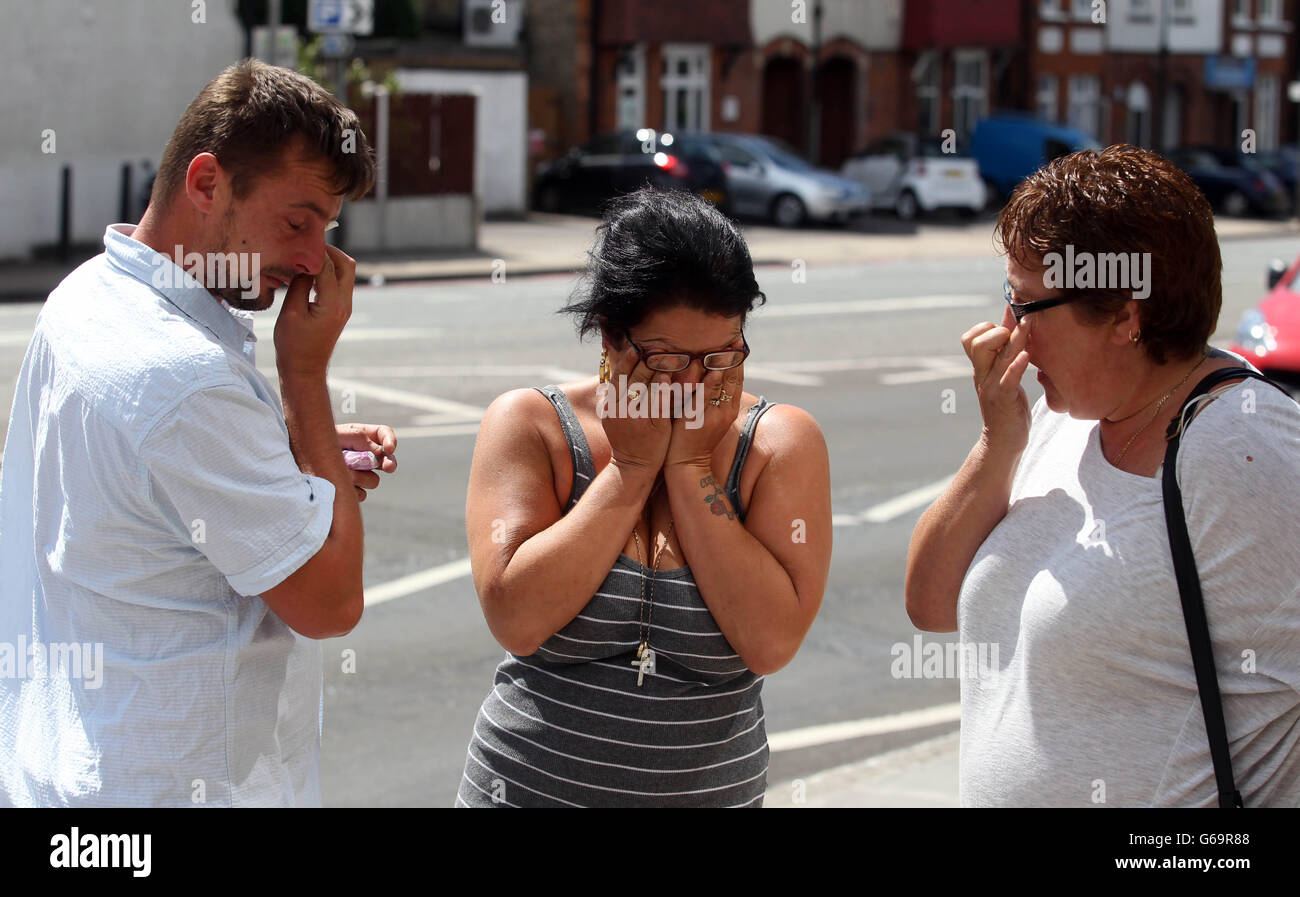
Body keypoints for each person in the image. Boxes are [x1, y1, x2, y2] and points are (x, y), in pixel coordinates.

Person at [0, 59, 397, 807]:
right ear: (207, 182)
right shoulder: (191, 381)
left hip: (71, 783)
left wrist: (284, 449)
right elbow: (328, 601)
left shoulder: (83, 296)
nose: (316, 259)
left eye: (327, 228)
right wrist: (305, 379)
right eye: (297, 221)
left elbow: (143, 480)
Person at [906, 144, 1300, 807]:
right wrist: (997, 441)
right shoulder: (1069, 416)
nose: (1009, 333)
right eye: (1009, 296)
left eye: (1029, 305)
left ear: (1126, 314)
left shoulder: (1247, 448)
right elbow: (931, 603)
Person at [456, 188, 832, 807]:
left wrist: (687, 465)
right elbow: (516, 618)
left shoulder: (779, 442)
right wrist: (630, 468)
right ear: (611, 335)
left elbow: (770, 642)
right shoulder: (534, 426)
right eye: (666, 359)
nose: (693, 382)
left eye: (718, 356)